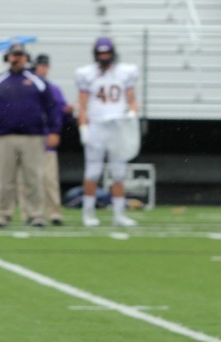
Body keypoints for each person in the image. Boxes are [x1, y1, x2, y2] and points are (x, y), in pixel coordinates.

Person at [0, 43, 61, 228]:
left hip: (33, 137)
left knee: (34, 178)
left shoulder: (37, 81)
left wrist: (54, 130)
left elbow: (52, 107)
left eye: (20, 55)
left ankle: (36, 215)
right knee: (4, 180)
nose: (17, 58)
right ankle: (2, 215)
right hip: (3, 137)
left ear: (26, 58)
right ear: (8, 58)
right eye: (14, 55)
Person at [75, 37, 141, 227]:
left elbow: (132, 100)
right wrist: (83, 127)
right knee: (93, 171)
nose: (104, 56)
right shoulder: (86, 74)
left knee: (119, 173)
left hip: (117, 127)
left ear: (113, 53)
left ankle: (119, 215)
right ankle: (88, 214)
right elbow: (82, 105)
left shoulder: (125, 72)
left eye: (107, 53)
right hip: (97, 126)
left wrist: (132, 114)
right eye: (101, 53)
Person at [17, 54, 73, 226]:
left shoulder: (52, 88)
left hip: (45, 140)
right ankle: (28, 213)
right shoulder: (25, 87)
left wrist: (67, 114)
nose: (43, 69)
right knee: (27, 180)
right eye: (41, 65)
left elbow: (59, 112)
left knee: (49, 180)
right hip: (29, 138)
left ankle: (54, 213)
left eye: (45, 66)